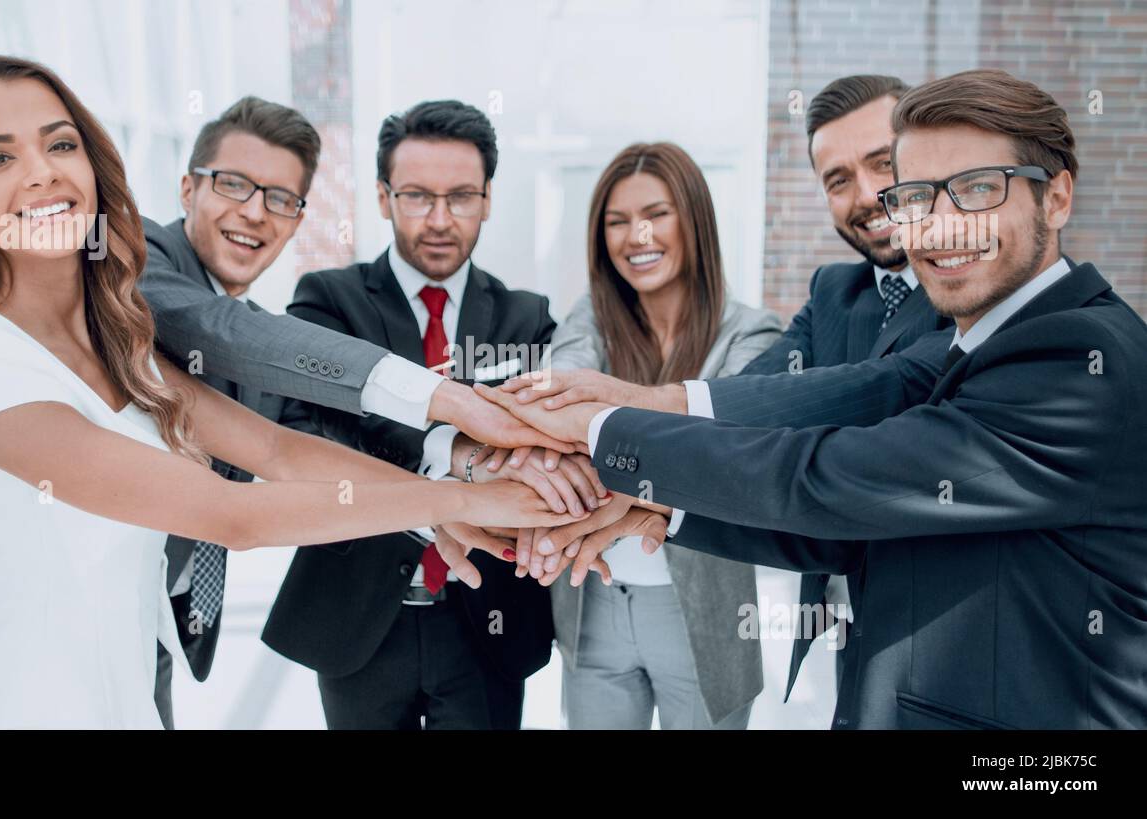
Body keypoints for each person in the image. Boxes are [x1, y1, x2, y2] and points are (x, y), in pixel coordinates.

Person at [0, 55, 573, 729]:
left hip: (125, 686)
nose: (40, 171)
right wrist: (463, 478)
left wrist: (437, 514)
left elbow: (278, 449)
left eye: (60, 143)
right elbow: (230, 511)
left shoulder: (116, 345)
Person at [481, 69, 1147, 729]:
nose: (939, 225)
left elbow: (831, 478)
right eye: (915, 196)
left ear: (1056, 198)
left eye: (976, 189)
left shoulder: (1081, 359)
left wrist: (604, 433)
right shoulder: (969, 342)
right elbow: (861, 516)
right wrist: (656, 503)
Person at [509, 76, 955, 703]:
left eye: (883, 164)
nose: (867, 194)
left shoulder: (965, 297)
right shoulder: (838, 293)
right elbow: (757, 396)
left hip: (943, 642)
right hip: (849, 626)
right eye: (836, 179)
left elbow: (880, 389)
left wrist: (631, 413)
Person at [261, 100, 607, 729]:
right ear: (383, 197)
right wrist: (453, 459)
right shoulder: (329, 301)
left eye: (462, 197)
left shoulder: (525, 318)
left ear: (489, 199)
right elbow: (304, 427)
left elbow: (542, 449)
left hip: (488, 617)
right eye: (418, 196)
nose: (441, 220)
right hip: (359, 614)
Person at [532, 142, 780, 729]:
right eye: (616, 222)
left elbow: (728, 457)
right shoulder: (589, 318)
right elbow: (557, 411)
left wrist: (606, 430)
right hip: (594, 606)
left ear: (694, 218)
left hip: (701, 614)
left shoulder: (753, 333)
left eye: (656, 214)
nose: (635, 236)